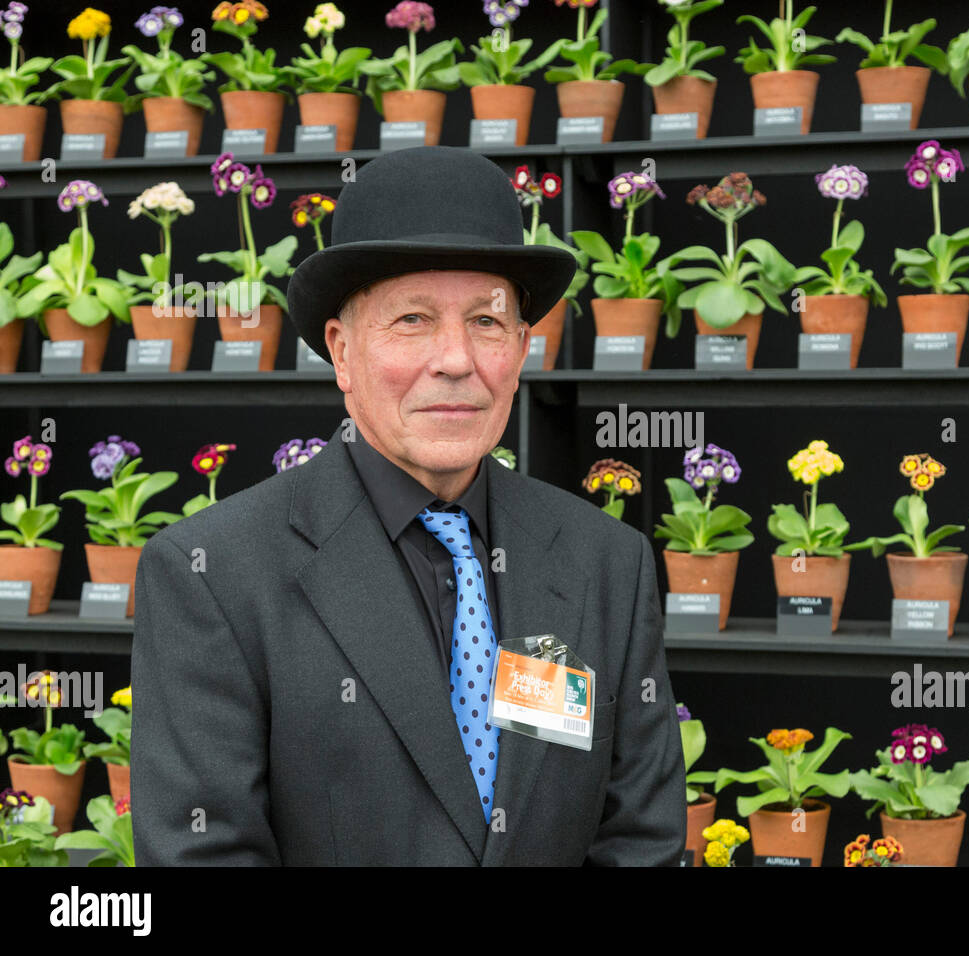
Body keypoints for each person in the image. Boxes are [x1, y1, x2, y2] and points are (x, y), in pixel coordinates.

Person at [130, 146, 686, 865]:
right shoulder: (215, 574)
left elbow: (639, 840)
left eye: (487, 322)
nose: (456, 358)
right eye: (414, 320)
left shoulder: (605, 560)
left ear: (520, 350)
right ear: (341, 352)